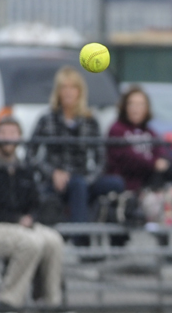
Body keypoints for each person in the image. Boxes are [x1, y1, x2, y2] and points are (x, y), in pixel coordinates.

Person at [0, 117, 64, 313]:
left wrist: (30, 218)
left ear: (19, 137)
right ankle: (7, 301)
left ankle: (51, 302)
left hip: (20, 227)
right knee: (30, 242)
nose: (8, 138)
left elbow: (34, 204)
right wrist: (16, 219)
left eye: (13, 133)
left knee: (54, 240)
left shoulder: (23, 168)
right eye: (4, 133)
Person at [28, 66, 125, 242]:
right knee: (76, 187)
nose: (68, 92)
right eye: (64, 87)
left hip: (83, 179)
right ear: (57, 92)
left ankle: (81, 236)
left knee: (114, 183)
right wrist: (52, 173)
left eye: (72, 87)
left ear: (80, 92)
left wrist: (87, 180)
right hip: (53, 181)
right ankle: (82, 241)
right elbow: (31, 154)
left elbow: (100, 160)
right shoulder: (46, 119)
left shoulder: (90, 121)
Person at [105, 86, 172, 225]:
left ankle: (163, 236)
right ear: (124, 106)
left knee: (170, 191)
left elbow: (164, 155)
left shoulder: (150, 132)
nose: (136, 108)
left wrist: (163, 163)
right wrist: (154, 164)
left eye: (141, 104)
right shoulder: (116, 129)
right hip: (127, 187)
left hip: (149, 184)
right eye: (132, 104)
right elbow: (128, 158)